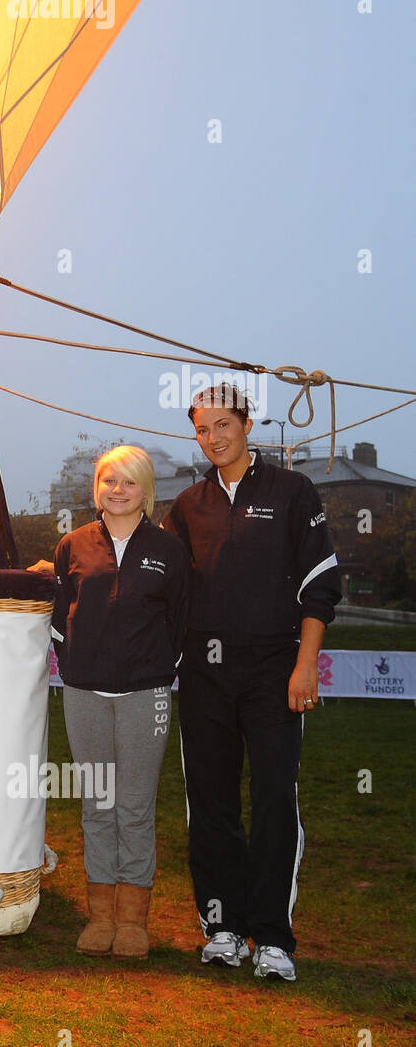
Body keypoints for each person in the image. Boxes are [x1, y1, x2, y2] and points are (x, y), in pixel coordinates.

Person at [163, 383, 341, 982]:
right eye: (201, 428)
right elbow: (156, 578)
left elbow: (321, 586)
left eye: (222, 425)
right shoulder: (187, 505)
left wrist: (305, 663)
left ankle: (271, 937)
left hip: (274, 672)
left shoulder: (293, 492)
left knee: (272, 799)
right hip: (204, 678)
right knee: (210, 803)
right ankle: (223, 927)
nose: (213, 437)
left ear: (246, 422)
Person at [51, 446, 188, 958]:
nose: (118, 490)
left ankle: (133, 921)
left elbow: (180, 622)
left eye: (129, 482)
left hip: (145, 695)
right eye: (110, 481)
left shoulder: (169, 551)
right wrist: (77, 665)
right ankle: (100, 917)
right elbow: (59, 613)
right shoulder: (72, 546)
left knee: (133, 807)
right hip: (85, 693)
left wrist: (153, 669)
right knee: (97, 805)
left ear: (146, 490)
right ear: (97, 488)